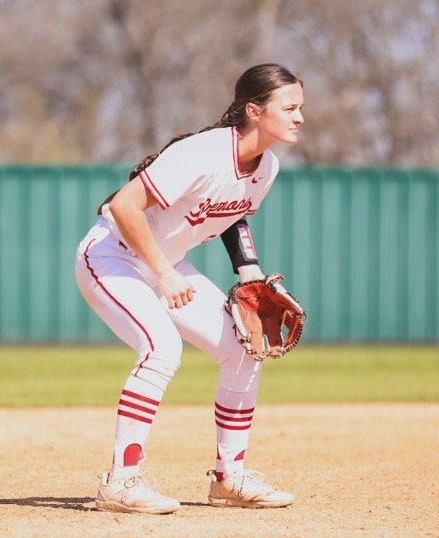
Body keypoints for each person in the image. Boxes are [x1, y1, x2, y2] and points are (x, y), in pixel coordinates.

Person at [74, 62, 305, 514]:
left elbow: (232, 213)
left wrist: (249, 271)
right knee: (161, 349)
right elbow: (123, 206)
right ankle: (120, 483)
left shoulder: (267, 166)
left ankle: (228, 478)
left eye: (300, 107)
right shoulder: (202, 154)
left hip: (166, 262)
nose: (299, 117)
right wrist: (163, 272)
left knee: (244, 350)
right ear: (255, 111)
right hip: (111, 256)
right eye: (289, 107)